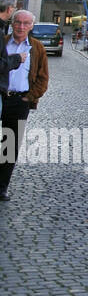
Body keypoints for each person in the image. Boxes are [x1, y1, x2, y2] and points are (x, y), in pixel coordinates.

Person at [0, 10, 47, 201]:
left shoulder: (37, 48)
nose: (20, 27)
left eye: (25, 23)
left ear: (31, 26)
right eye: (17, 22)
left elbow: (43, 78)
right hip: (0, 98)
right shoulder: (2, 42)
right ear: (12, 23)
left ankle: (1, 186)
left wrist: (30, 97)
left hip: (19, 101)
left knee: (8, 145)